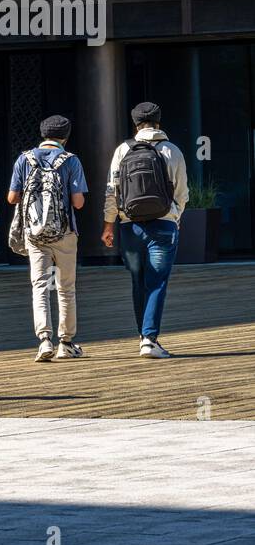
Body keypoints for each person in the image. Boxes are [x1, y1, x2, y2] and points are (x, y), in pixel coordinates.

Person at [102, 102, 189, 359]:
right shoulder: (172, 151)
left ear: (135, 124)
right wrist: (176, 216)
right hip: (164, 224)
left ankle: (143, 336)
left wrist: (109, 224)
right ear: (159, 122)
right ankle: (150, 339)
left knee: (137, 281)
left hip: (130, 227)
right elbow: (182, 193)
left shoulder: (122, 150)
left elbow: (112, 192)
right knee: (157, 282)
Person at [6, 116, 89, 363]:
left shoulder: (24, 159)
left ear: (43, 134)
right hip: (64, 232)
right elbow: (78, 202)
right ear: (65, 136)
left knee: (40, 286)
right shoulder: (71, 160)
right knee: (66, 288)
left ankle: (44, 341)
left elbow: (12, 198)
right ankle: (66, 343)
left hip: (34, 235)